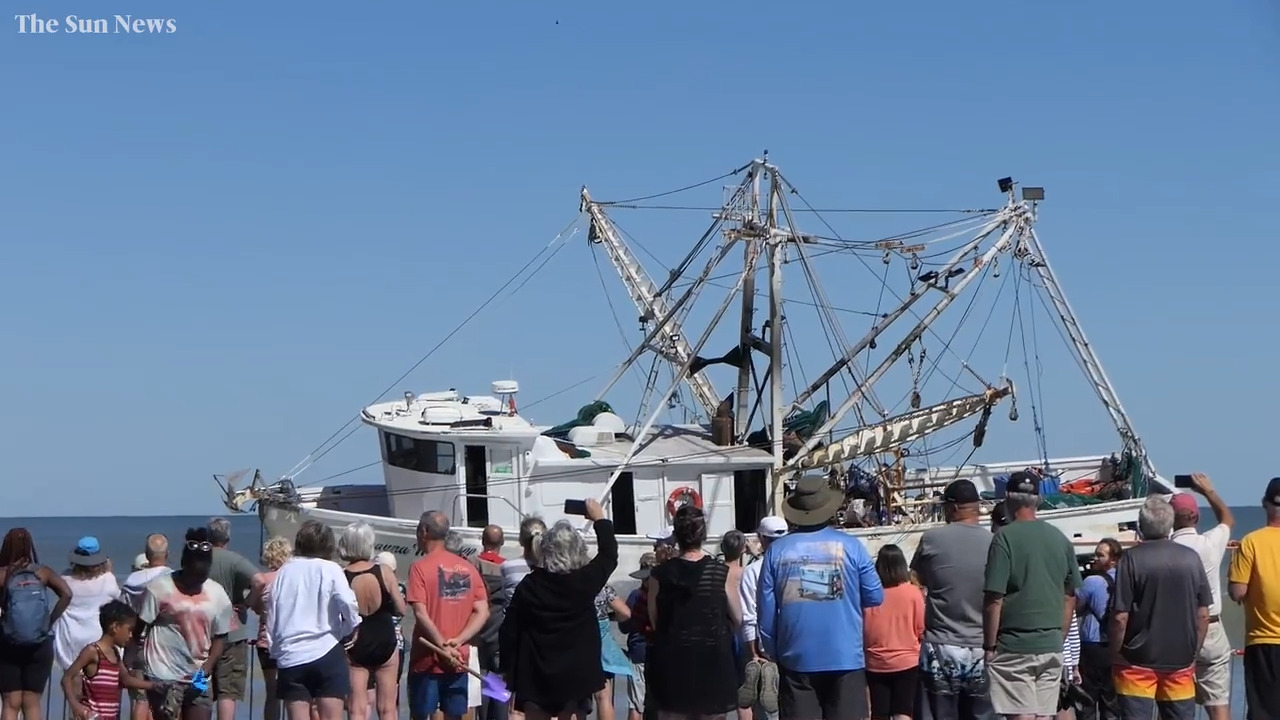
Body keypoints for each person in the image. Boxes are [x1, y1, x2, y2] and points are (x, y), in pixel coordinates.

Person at [758, 476, 884, 720]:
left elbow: (766, 612)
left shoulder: (776, 551)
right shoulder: (852, 547)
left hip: (795, 657)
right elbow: (875, 596)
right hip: (846, 657)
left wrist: (773, 650)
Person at [498, 500, 617, 719]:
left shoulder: (530, 585)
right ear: (578, 551)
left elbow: (509, 629)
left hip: (536, 671)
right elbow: (609, 554)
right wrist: (599, 518)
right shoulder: (585, 581)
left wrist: (506, 667)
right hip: (575, 672)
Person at [982, 471, 1082, 720]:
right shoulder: (1060, 539)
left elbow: (994, 599)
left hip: (1014, 644)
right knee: (1044, 715)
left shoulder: (1004, 538)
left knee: (1021, 715)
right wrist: (1059, 635)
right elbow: (1069, 596)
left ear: (1007, 498)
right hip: (1051, 643)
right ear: (1038, 500)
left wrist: (989, 646)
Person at [1109, 496, 1210, 720]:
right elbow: (1203, 615)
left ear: (1141, 526)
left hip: (1136, 662)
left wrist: (1115, 652)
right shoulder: (1191, 559)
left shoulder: (1130, 559)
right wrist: (1193, 652)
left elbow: (1120, 617)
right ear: (1170, 524)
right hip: (1180, 661)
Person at [911, 479, 997, 720]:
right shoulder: (994, 542)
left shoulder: (932, 539)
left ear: (954, 507)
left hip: (941, 646)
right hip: (982, 646)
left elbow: (919, 578)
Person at [646, 505, 739, 720]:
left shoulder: (659, 574)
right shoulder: (720, 572)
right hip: (713, 660)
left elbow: (654, 618)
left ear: (676, 536)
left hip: (672, 662)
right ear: (703, 535)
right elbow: (738, 618)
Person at [267, 521, 360, 720]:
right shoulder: (331, 568)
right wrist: (351, 626)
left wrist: (275, 650)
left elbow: (273, 613)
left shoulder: (284, 571)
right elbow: (347, 602)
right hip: (327, 650)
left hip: (291, 654)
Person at [138, 528, 233, 720]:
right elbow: (139, 628)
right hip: (163, 675)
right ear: (183, 565)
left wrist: (207, 667)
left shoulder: (218, 594)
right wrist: (136, 665)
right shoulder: (159, 588)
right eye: (192, 575)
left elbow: (221, 637)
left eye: (201, 577)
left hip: (198, 677)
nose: (196, 581)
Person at [406, 512, 488, 720]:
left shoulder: (419, 568)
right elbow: (482, 611)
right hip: (458, 657)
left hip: (428, 658)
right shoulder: (468, 568)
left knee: (421, 715)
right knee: (454, 715)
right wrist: (458, 641)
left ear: (424, 531)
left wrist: (443, 646)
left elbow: (420, 613)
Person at [1168, 474, 1234, 720]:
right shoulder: (1209, 544)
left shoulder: (1165, 548)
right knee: (1218, 705)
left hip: (1175, 630)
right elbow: (1227, 519)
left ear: (1170, 519)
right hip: (1212, 627)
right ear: (1195, 517)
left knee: (1171, 703)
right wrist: (1208, 491)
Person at [0, 528, 72, 720]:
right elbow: (67, 594)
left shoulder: (2, 575)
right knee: (32, 703)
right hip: (39, 643)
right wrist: (49, 621)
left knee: (10, 703)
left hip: (7, 644)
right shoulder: (42, 572)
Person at [337, 522, 406, 720]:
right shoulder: (384, 571)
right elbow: (401, 609)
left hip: (356, 643)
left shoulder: (342, 575)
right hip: (385, 640)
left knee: (357, 709)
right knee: (388, 708)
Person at [1228, 477, 1280, 720]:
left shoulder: (1251, 542)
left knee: (1263, 712)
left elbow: (1237, 592)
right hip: (1263, 641)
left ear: (1264, 503)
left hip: (1263, 640)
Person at [205, 518, 261, 720]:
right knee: (227, 692)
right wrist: (247, 603)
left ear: (208, 536)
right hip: (233, 631)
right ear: (228, 537)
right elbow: (260, 581)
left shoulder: (200, 560)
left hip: (203, 630)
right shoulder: (235, 560)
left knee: (202, 687)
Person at [62, 600, 154, 720]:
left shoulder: (115, 654)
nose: (131, 635)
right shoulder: (92, 652)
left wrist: (154, 686)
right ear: (115, 627)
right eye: (129, 630)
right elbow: (67, 678)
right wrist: (76, 706)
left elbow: (126, 680)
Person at [862, 544, 923, 720]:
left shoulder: (869, 595)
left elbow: (864, 629)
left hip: (875, 661)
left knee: (879, 711)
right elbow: (921, 628)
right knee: (903, 710)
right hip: (907, 661)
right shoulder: (913, 593)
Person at [738, 517, 787, 720]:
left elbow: (748, 616)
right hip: (796, 642)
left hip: (766, 647)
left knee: (766, 710)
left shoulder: (752, 571)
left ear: (761, 538)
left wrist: (753, 654)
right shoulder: (799, 566)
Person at [54, 537, 122, 672]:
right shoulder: (108, 579)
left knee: (72, 678)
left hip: (70, 636)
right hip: (96, 634)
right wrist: (109, 571)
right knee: (97, 680)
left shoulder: (65, 578)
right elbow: (118, 599)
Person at [1074, 539, 1121, 720]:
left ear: (1113, 559)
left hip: (1092, 645)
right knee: (1111, 702)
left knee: (1087, 700)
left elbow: (1075, 607)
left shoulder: (1092, 581)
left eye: (1100, 555)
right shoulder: (1126, 580)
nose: (1095, 558)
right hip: (1117, 646)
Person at [247, 537, 292, 720]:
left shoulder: (263, 580)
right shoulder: (293, 579)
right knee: (293, 693)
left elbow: (255, 606)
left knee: (271, 693)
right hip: (290, 642)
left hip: (266, 642)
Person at [620, 553, 657, 720]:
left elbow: (624, 627)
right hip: (659, 654)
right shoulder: (664, 595)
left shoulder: (635, 596)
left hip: (638, 654)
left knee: (636, 705)